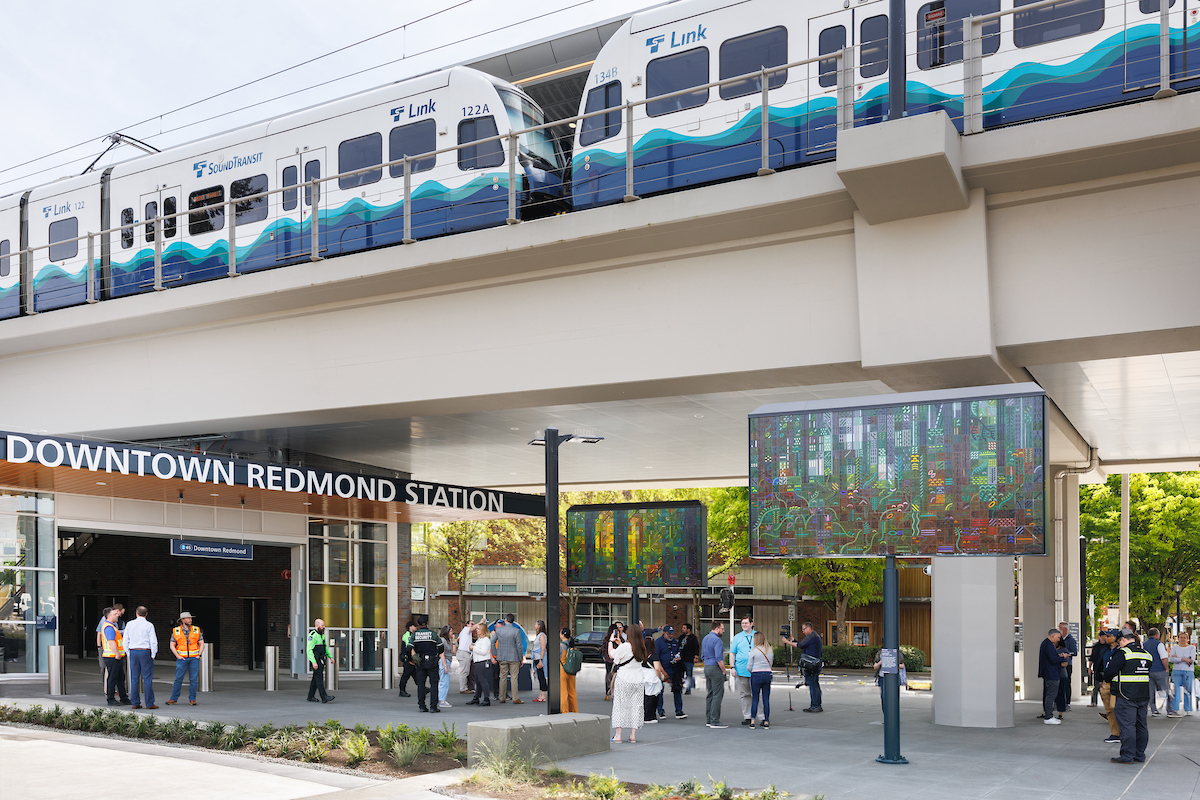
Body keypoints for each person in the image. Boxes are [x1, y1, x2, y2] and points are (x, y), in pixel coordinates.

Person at [1104, 630, 1152, 763]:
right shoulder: (1147, 654)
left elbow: (1111, 671)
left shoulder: (1123, 653)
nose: (1119, 644)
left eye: (1120, 642)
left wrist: (1106, 678)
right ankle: (1139, 754)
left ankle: (1127, 755)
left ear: (1124, 640)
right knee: (1141, 726)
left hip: (1126, 695)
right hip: (1143, 695)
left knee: (1127, 726)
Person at [609, 630, 648, 743]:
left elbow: (612, 655)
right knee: (636, 706)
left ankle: (618, 735)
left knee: (620, 706)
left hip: (624, 679)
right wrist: (620, 644)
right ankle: (632, 735)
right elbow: (630, 653)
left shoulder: (626, 646)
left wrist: (611, 642)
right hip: (638, 680)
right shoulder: (641, 647)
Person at [123, 605, 158, 710]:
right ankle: (149, 703)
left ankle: (135, 702)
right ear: (146, 614)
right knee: (147, 678)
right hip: (145, 651)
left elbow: (125, 640)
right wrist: (153, 654)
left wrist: (128, 652)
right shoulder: (149, 625)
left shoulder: (129, 624)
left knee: (134, 678)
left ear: (136, 613)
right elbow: (153, 641)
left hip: (133, 651)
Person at [167, 611, 204, 706]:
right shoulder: (176, 631)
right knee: (178, 679)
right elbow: (172, 645)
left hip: (194, 658)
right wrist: (177, 656)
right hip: (182, 658)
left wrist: (198, 655)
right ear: (182, 620)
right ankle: (173, 699)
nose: (190, 620)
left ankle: (192, 699)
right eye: (188, 618)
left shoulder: (196, 630)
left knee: (193, 679)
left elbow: (201, 643)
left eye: (191, 618)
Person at [410, 614, 444, 713]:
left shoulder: (415, 635)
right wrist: (437, 654)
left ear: (418, 624)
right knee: (434, 684)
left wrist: (412, 658)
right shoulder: (433, 634)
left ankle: (422, 706)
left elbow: (409, 647)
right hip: (432, 662)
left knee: (421, 684)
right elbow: (441, 647)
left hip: (420, 662)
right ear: (427, 623)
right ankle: (433, 707)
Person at [652, 625, 686, 719]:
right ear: (664, 633)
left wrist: (679, 657)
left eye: (672, 634)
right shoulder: (658, 642)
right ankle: (660, 711)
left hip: (674, 669)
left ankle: (679, 711)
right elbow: (656, 657)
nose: (671, 636)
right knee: (660, 690)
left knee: (677, 689)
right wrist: (661, 671)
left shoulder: (674, 642)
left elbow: (678, 652)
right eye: (669, 634)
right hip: (663, 669)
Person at [1038, 628, 1068, 724]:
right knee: (1051, 695)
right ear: (1052, 636)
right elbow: (1053, 659)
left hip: (1049, 672)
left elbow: (1052, 658)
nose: (1059, 640)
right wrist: (1063, 657)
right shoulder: (1048, 645)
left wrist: (1059, 656)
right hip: (1051, 673)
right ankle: (1048, 717)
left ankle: (1049, 715)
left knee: (1050, 694)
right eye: (1058, 637)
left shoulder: (1046, 644)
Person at [1096, 630, 1122, 743]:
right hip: (1105, 682)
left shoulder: (1121, 651)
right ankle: (1115, 734)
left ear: (1116, 638)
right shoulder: (1104, 650)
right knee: (1109, 709)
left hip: (1117, 682)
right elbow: (1099, 664)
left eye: (1109, 636)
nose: (1106, 638)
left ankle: (1122, 732)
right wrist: (1099, 680)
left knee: (1114, 707)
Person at [729, 615, 756, 724]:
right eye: (742, 623)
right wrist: (732, 667)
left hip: (756, 670)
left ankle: (761, 716)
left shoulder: (757, 636)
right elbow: (732, 653)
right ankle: (747, 716)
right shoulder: (737, 637)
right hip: (741, 670)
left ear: (751, 624)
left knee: (757, 694)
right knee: (745, 694)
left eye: (746, 623)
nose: (744, 625)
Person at [100, 607, 129, 706]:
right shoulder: (109, 627)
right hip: (112, 656)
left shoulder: (112, 626)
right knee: (113, 678)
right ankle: (111, 698)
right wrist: (117, 654)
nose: (118, 615)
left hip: (114, 656)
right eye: (115, 614)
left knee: (120, 677)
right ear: (109, 616)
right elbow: (111, 642)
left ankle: (123, 697)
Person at [793, 621, 824, 713]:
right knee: (815, 684)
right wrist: (792, 639)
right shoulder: (815, 637)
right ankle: (817, 704)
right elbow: (803, 645)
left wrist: (787, 642)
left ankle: (815, 705)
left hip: (812, 665)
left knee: (813, 685)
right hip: (816, 664)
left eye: (803, 629)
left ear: (808, 628)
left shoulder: (811, 636)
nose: (803, 631)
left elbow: (800, 645)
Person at [494, 613, 525, 704]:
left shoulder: (499, 630)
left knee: (502, 677)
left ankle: (502, 697)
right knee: (514, 678)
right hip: (514, 657)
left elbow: (492, 642)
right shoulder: (516, 631)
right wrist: (520, 658)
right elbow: (519, 646)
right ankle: (515, 698)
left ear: (506, 620)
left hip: (502, 657)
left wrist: (496, 654)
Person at [747, 631, 773, 728]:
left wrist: (753, 671)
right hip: (767, 674)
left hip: (756, 675)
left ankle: (753, 721)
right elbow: (771, 664)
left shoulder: (753, 651)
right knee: (766, 699)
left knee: (755, 698)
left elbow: (749, 666)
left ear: (757, 639)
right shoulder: (769, 650)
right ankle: (766, 721)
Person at [305, 618, 334, 704]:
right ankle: (324, 696)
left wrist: (330, 657)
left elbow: (325, 647)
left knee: (315, 678)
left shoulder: (321, 635)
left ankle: (310, 696)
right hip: (316, 660)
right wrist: (313, 662)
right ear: (317, 625)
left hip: (321, 659)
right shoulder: (312, 635)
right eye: (322, 625)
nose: (324, 627)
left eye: (324, 625)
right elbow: (309, 650)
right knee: (319, 678)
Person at [1143, 628, 1170, 716]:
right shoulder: (1159, 644)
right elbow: (1164, 658)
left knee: (1151, 691)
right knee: (1166, 690)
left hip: (1148, 671)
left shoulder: (1144, 644)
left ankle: (1153, 709)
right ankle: (1170, 710)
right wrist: (1167, 669)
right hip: (1159, 670)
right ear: (1157, 635)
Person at [467, 621, 494, 706]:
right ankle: (476, 697)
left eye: (478, 629)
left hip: (483, 662)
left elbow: (483, 651)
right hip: (478, 662)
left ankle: (486, 699)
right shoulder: (480, 639)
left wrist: (473, 647)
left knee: (483, 680)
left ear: (483, 630)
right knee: (478, 681)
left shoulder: (486, 640)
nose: (476, 630)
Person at [1167, 631, 1194, 717]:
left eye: (1184, 637)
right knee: (1176, 691)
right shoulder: (1175, 648)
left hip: (1188, 671)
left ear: (1187, 639)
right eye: (1181, 637)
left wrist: (1178, 658)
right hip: (1176, 670)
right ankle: (1175, 709)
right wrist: (1184, 659)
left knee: (1188, 691)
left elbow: (1191, 660)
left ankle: (1188, 709)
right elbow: (1172, 659)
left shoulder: (1191, 648)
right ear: (1178, 638)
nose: (1182, 639)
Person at [1055, 622, 1078, 713]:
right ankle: (1058, 703)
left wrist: (1067, 654)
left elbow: (1074, 652)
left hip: (1067, 665)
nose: (1058, 629)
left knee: (1067, 683)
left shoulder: (1070, 639)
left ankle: (1067, 703)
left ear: (1065, 629)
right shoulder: (1058, 639)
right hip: (1058, 664)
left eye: (1060, 627)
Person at [559, 627, 579, 713]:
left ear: (563, 635)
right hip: (572, 670)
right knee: (572, 691)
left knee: (563, 691)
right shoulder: (572, 646)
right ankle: (574, 710)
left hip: (563, 669)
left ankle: (565, 710)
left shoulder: (561, 646)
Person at [679, 623, 700, 695]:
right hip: (681, 658)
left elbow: (696, 648)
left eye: (684, 628)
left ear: (688, 629)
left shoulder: (693, 638)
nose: (682, 629)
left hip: (689, 659)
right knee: (680, 674)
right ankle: (680, 688)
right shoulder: (681, 637)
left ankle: (688, 688)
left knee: (688, 674)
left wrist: (696, 657)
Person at [398, 620, 418, 698]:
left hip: (410, 659)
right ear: (410, 627)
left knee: (416, 675)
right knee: (406, 675)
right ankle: (402, 691)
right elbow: (408, 648)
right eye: (414, 626)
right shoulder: (408, 636)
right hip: (408, 660)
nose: (416, 627)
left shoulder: (412, 635)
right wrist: (410, 660)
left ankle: (422, 688)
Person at [1088, 632, 1108, 706]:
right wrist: (1089, 668)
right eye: (1102, 636)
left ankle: (1106, 702)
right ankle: (1094, 702)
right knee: (1096, 686)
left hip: (1105, 668)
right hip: (1097, 667)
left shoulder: (1107, 646)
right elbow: (1092, 657)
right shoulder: (1096, 646)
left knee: (1105, 686)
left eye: (1105, 636)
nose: (1104, 637)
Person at [533, 620, 549, 703]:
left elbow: (543, 648)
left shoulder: (542, 635)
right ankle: (541, 694)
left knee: (542, 676)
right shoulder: (539, 635)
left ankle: (543, 695)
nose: (534, 625)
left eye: (536, 624)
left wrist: (540, 660)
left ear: (539, 626)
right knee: (540, 676)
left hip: (539, 658)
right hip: (536, 658)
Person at [457, 621, 475, 694]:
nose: (473, 626)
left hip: (463, 652)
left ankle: (464, 687)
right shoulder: (466, 629)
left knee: (465, 671)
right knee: (464, 671)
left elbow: (458, 639)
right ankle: (463, 688)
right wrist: (480, 623)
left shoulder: (464, 632)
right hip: (464, 652)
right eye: (471, 624)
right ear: (467, 625)